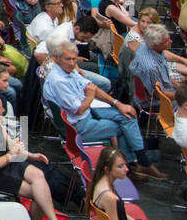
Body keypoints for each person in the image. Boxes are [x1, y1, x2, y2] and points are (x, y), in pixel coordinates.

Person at [43, 42, 166, 180]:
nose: (72, 63)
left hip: (87, 112)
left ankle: (134, 165)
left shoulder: (68, 71)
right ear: (57, 58)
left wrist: (117, 103)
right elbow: (79, 109)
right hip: (78, 126)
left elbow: (92, 87)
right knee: (123, 127)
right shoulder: (58, 81)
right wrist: (89, 96)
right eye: (68, 59)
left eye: (74, 59)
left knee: (127, 115)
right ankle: (137, 165)